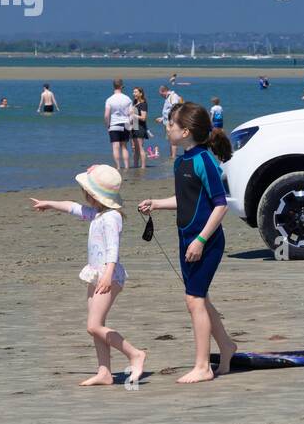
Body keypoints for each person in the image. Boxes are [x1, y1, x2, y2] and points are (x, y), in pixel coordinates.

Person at [137, 103, 238, 384]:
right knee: (200, 298)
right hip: (186, 240)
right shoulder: (182, 161)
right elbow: (188, 200)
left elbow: (220, 206)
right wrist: (156, 204)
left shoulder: (205, 160)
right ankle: (227, 347)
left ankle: (203, 366)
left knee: (193, 299)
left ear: (185, 131)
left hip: (206, 242)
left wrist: (201, 240)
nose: (166, 128)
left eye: (171, 124)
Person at [30, 165, 147, 387]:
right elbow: (72, 207)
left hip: (108, 275)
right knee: (97, 325)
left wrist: (108, 274)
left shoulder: (112, 217)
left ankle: (135, 354)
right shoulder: (97, 213)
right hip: (96, 274)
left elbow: (113, 248)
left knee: (93, 326)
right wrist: (50, 204)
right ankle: (104, 372)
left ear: (94, 194)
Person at [104, 78, 135, 170]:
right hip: (125, 123)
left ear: (113, 86)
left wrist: (108, 125)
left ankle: (118, 167)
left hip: (114, 124)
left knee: (115, 147)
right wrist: (130, 123)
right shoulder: (127, 98)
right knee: (124, 147)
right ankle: (126, 167)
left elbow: (106, 115)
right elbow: (132, 114)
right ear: (122, 86)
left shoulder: (109, 99)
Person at [158, 85, 183, 157]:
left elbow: (175, 108)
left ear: (164, 91)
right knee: (170, 140)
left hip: (172, 122)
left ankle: (173, 157)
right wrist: (162, 118)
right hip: (168, 121)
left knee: (173, 140)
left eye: (160, 94)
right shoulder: (169, 97)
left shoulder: (173, 96)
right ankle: (172, 155)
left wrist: (171, 121)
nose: (161, 96)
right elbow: (168, 110)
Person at [130, 87, 149, 168]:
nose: (134, 94)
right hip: (133, 127)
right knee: (135, 149)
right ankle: (135, 166)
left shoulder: (143, 104)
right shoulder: (134, 103)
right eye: (133, 92)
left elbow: (143, 117)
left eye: (136, 92)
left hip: (140, 128)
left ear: (141, 93)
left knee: (140, 148)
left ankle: (143, 167)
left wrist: (133, 115)